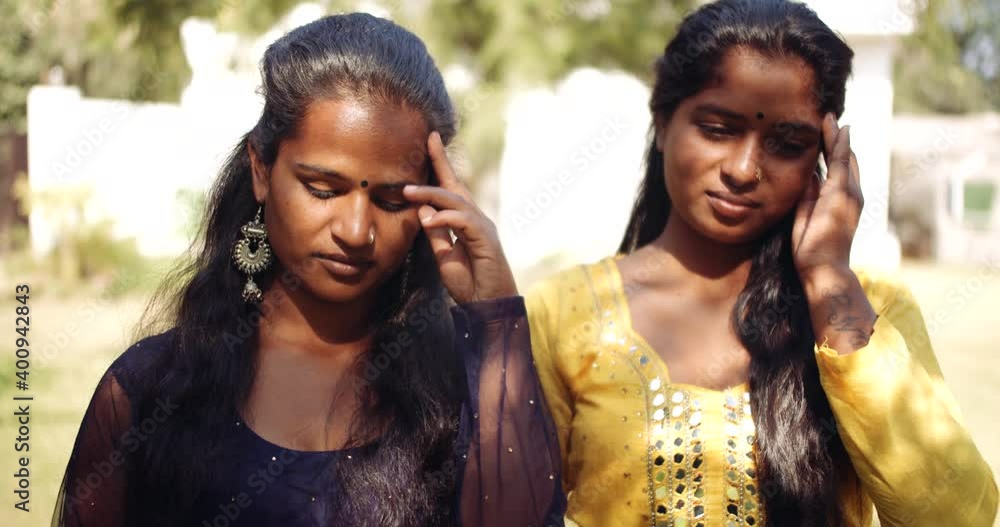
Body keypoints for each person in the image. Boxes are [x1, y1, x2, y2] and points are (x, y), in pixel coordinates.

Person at [54, 13, 564, 527]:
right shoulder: (152, 390)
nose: (356, 230)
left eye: (390, 200)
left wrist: (498, 323)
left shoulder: (460, 390)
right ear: (261, 169)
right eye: (323, 189)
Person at [525, 0, 998, 525]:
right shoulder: (563, 314)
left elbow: (958, 516)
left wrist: (827, 280)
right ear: (662, 122)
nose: (745, 169)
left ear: (824, 156)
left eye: (787, 144)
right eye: (718, 129)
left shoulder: (867, 311)